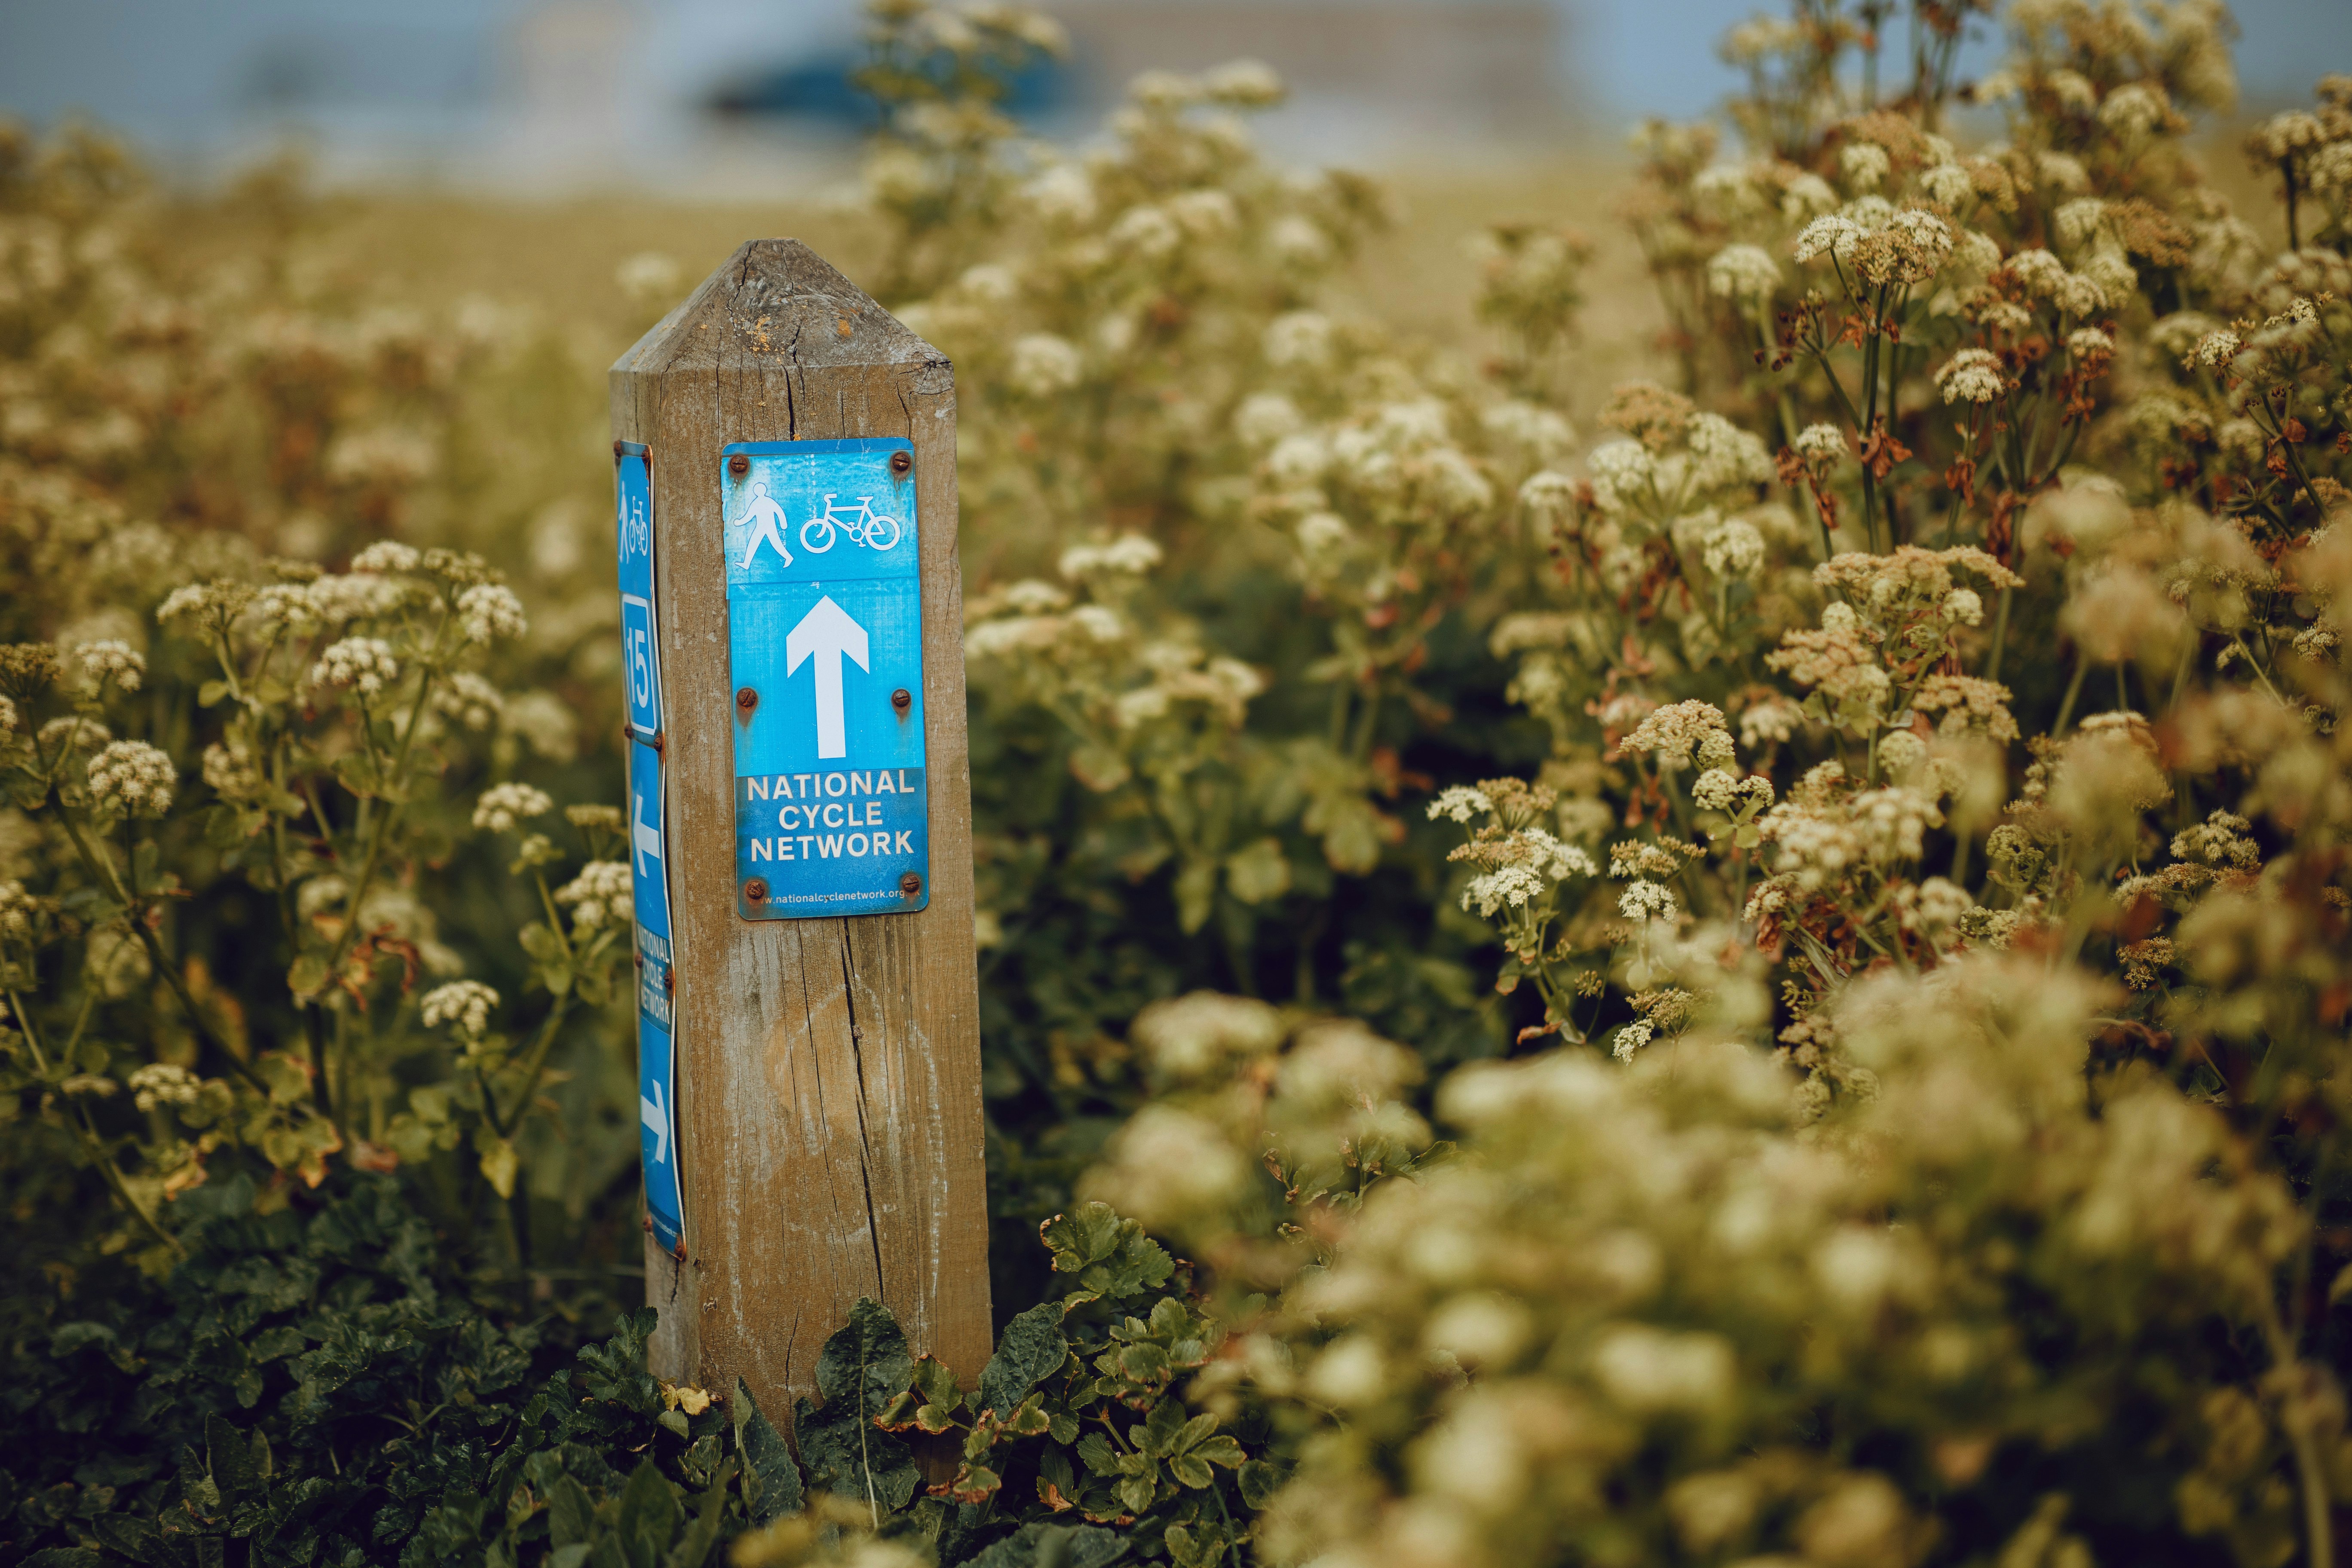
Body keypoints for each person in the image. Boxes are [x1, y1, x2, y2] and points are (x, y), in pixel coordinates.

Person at [735, 480, 793, 570]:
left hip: (769, 527)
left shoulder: (761, 502)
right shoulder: (763, 502)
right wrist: (783, 524)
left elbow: (748, 517)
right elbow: (779, 512)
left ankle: (789, 557)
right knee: (753, 544)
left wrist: (739, 522)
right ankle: (746, 563)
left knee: (776, 544)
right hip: (762, 527)